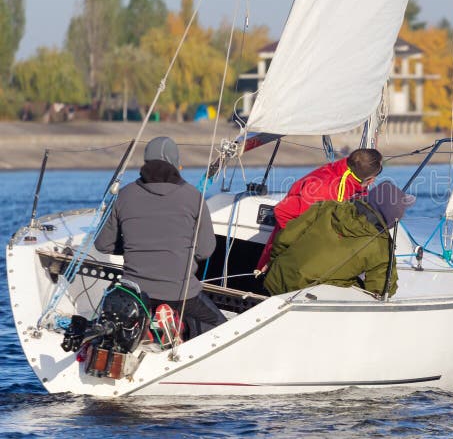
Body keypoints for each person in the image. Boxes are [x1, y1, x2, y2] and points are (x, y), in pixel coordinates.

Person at [95, 136, 226, 339]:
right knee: (218, 326)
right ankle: (178, 326)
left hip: (136, 293)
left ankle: (148, 327)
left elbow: (102, 244)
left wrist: (132, 246)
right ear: (176, 165)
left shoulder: (124, 195)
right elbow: (205, 250)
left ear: (146, 162)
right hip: (181, 294)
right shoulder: (193, 197)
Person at [263, 181, 415, 298]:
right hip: (303, 301)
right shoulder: (381, 247)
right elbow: (381, 290)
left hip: (276, 280)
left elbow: (284, 238)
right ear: (394, 216)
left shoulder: (328, 207)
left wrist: (275, 263)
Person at [255, 148, 383, 273]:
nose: (374, 181)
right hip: (292, 261)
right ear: (367, 178)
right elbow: (283, 211)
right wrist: (308, 245)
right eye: (373, 176)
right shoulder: (323, 187)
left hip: (321, 259)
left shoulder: (351, 182)